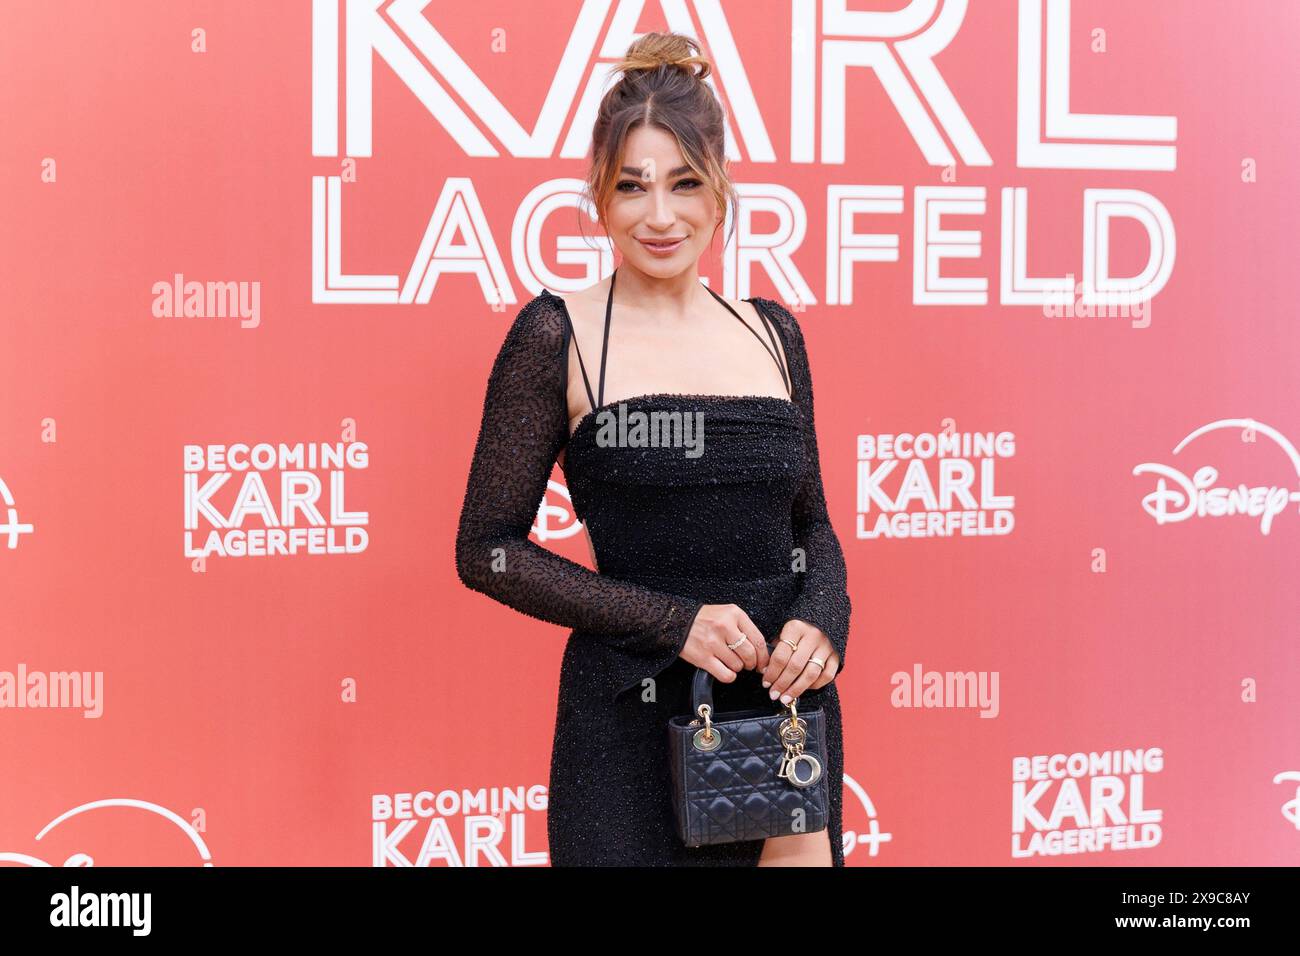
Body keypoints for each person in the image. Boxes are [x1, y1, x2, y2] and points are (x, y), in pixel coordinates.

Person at [455, 31, 851, 866]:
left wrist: (824, 618)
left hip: (777, 725)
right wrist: (674, 623)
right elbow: (485, 551)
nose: (660, 216)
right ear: (599, 195)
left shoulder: (773, 332)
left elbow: (813, 524)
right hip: (623, 729)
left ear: (721, 192)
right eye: (632, 187)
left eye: (684, 183)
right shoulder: (558, 335)